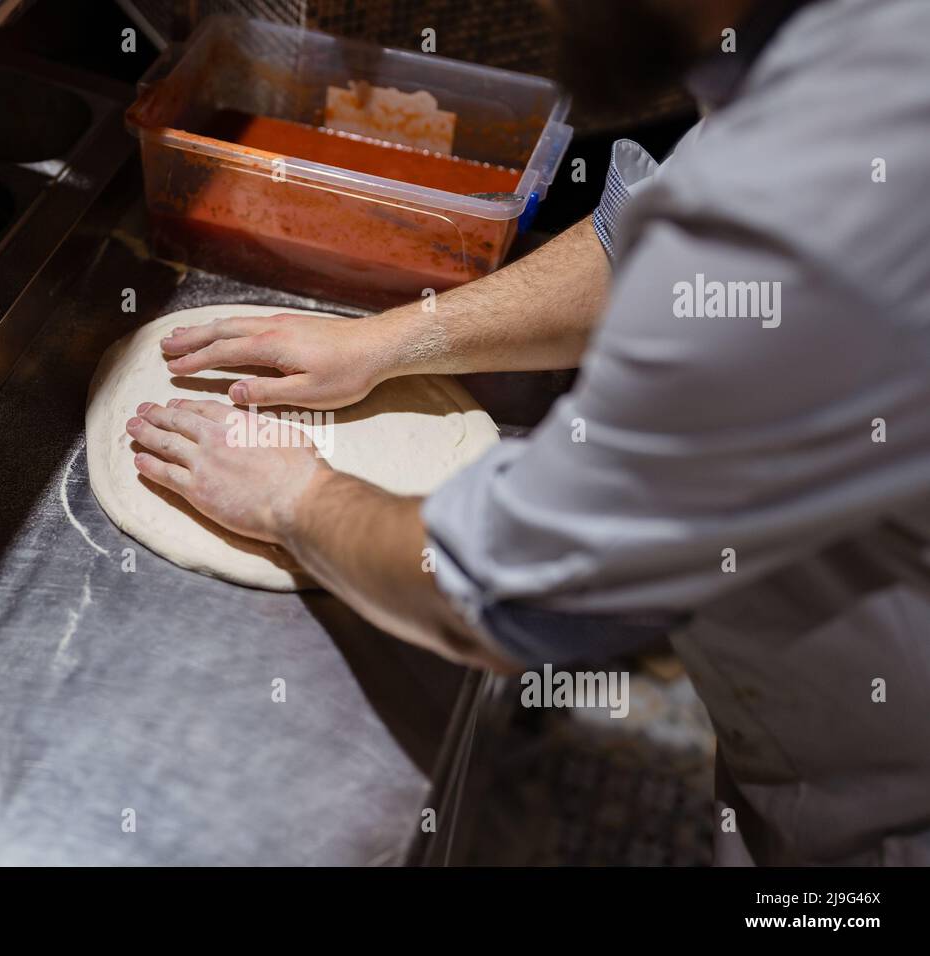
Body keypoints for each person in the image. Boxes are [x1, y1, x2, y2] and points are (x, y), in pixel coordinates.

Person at [123, 0, 930, 865]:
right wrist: (386, 342)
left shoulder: (812, 207)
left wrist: (295, 494)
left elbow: (506, 594)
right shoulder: (857, 47)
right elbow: (641, 245)